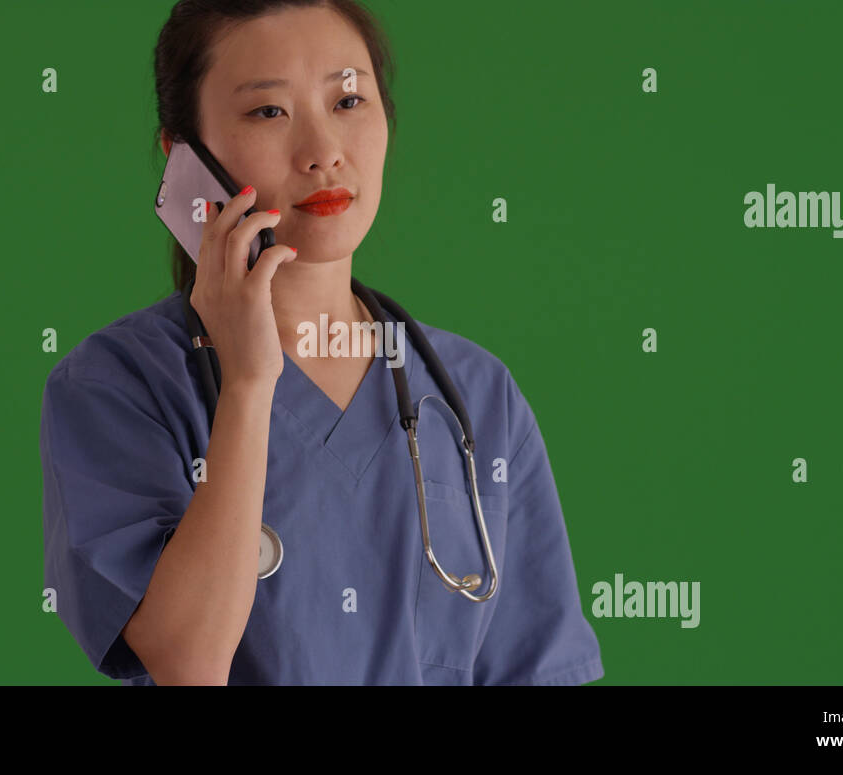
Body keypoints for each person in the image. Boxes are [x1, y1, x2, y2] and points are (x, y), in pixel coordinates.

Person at [39, 0, 604, 686]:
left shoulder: (476, 395)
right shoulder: (117, 385)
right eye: (268, 111)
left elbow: (537, 669)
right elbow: (187, 657)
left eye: (348, 100)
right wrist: (248, 382)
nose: (323, 152)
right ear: (183, 157)